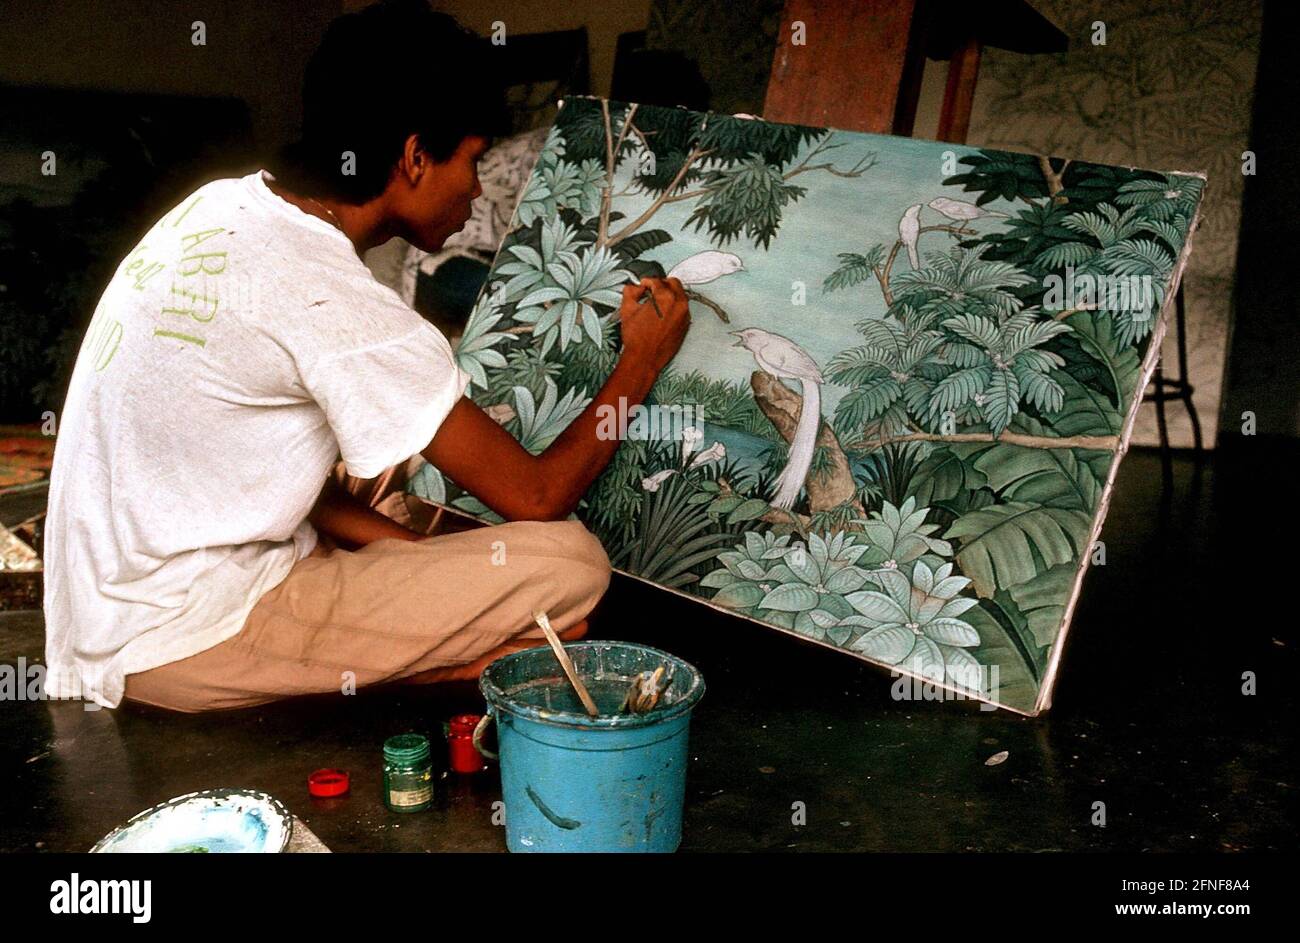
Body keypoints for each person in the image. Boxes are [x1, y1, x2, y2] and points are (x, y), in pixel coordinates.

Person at [40, 0, 691, 712]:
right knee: (571, 564)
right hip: (184, 634)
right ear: (414, 157)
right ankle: (436, 668)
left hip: (108, 611)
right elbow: (538, 496)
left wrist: (415, 560)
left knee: (400, 486)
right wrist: (640, 363)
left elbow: (276, 482)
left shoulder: (221, 206)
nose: (478, 189)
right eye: (471, 162)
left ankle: (416, 614)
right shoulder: (332, 294)